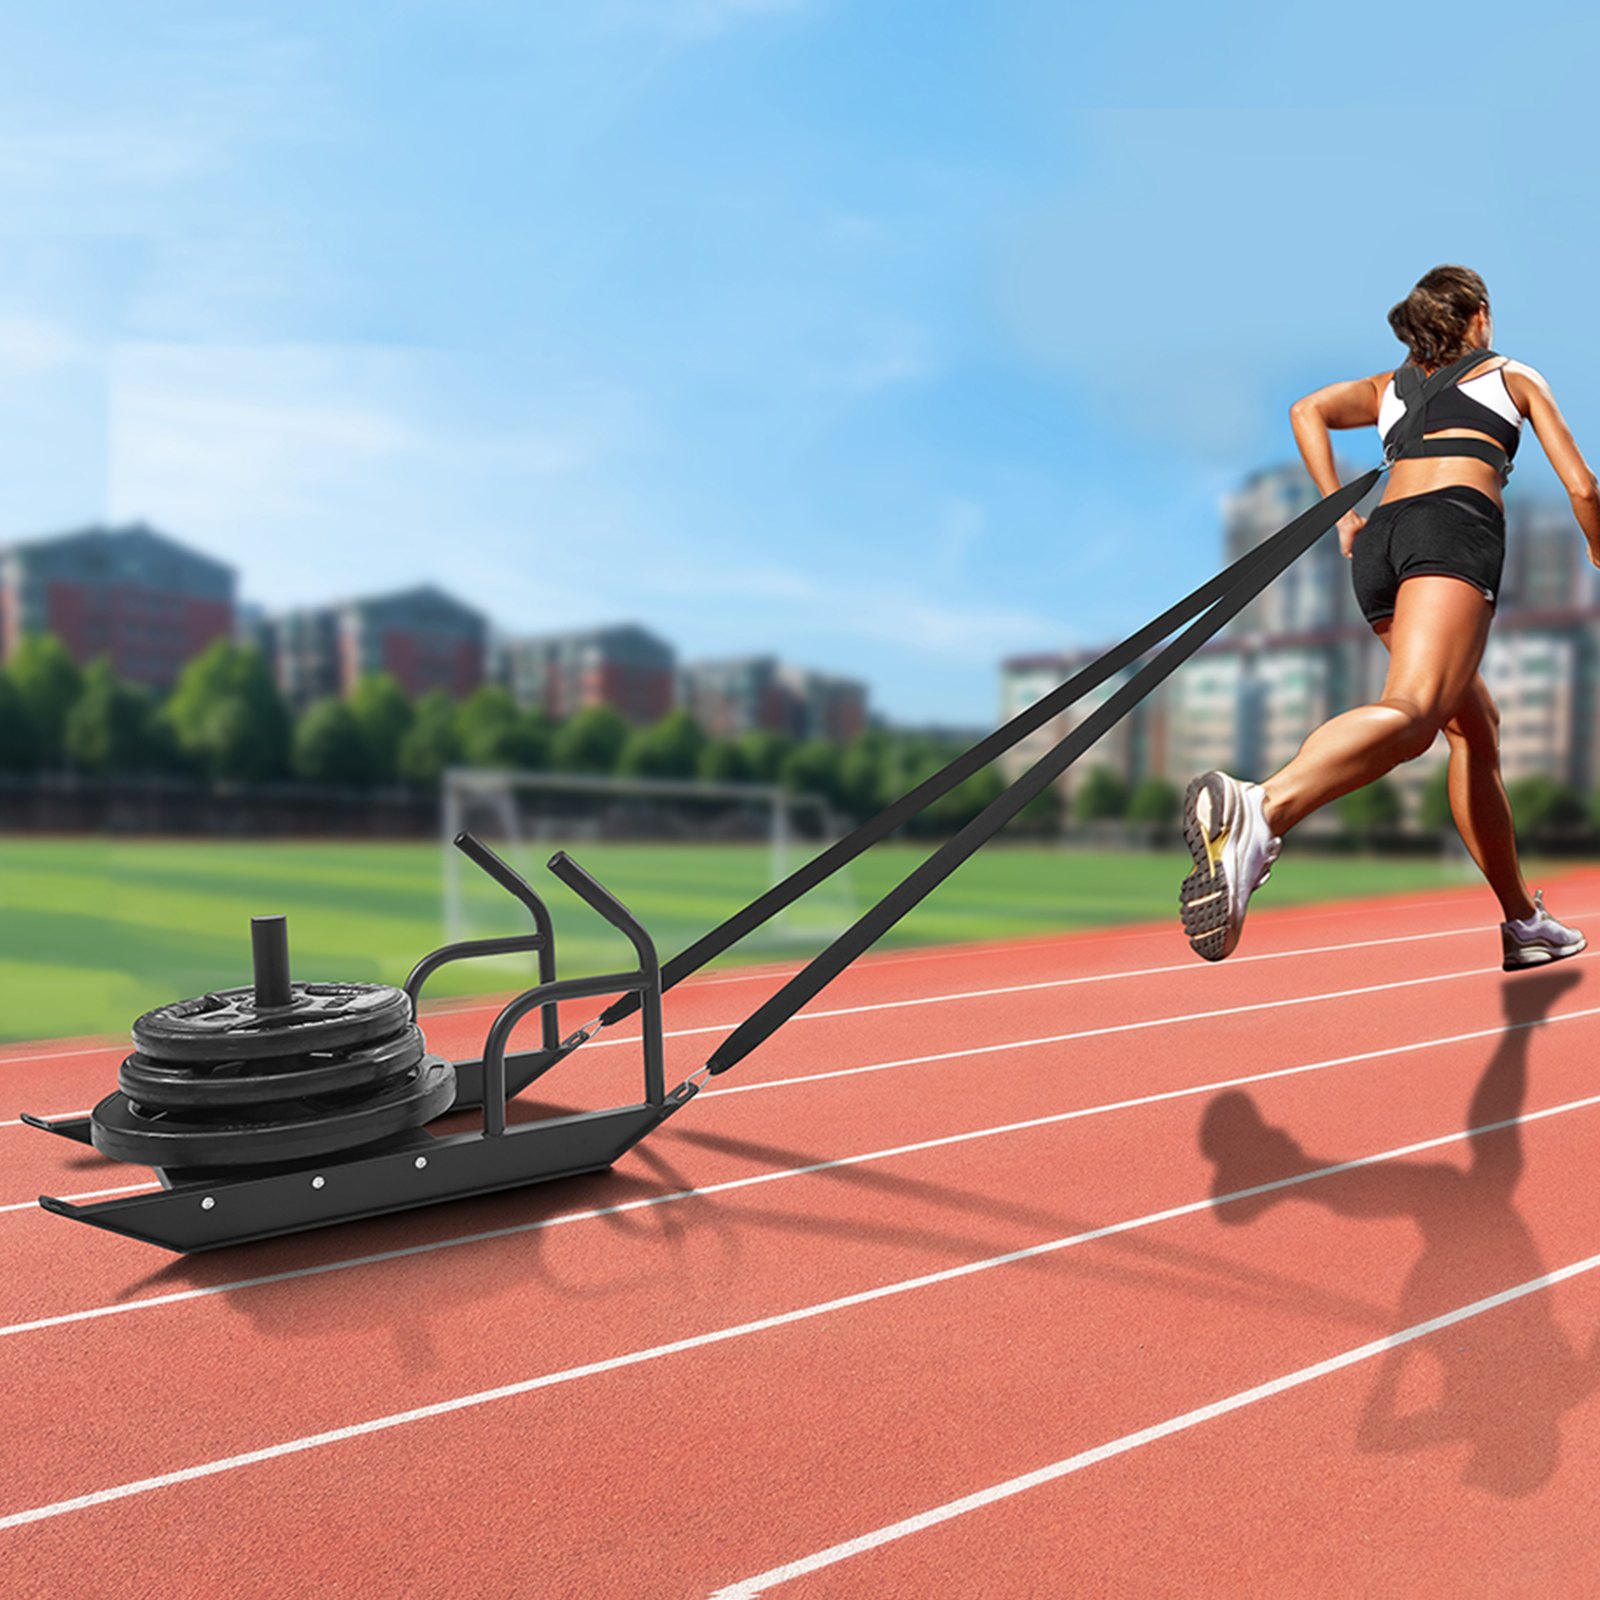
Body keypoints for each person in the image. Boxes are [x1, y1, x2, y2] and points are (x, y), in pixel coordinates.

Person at [1180, 265, 1598, 970]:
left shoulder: (1387, 390)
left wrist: (1342, 513)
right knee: (1413, 712)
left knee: (1475, 730)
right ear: (1481, 317)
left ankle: (1524, 921)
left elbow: (1305, 410)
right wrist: (1596, 547)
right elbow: (1584, 485)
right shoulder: (1514, 376)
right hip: (1451, 531)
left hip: (1381, 547)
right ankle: (1265, 808)